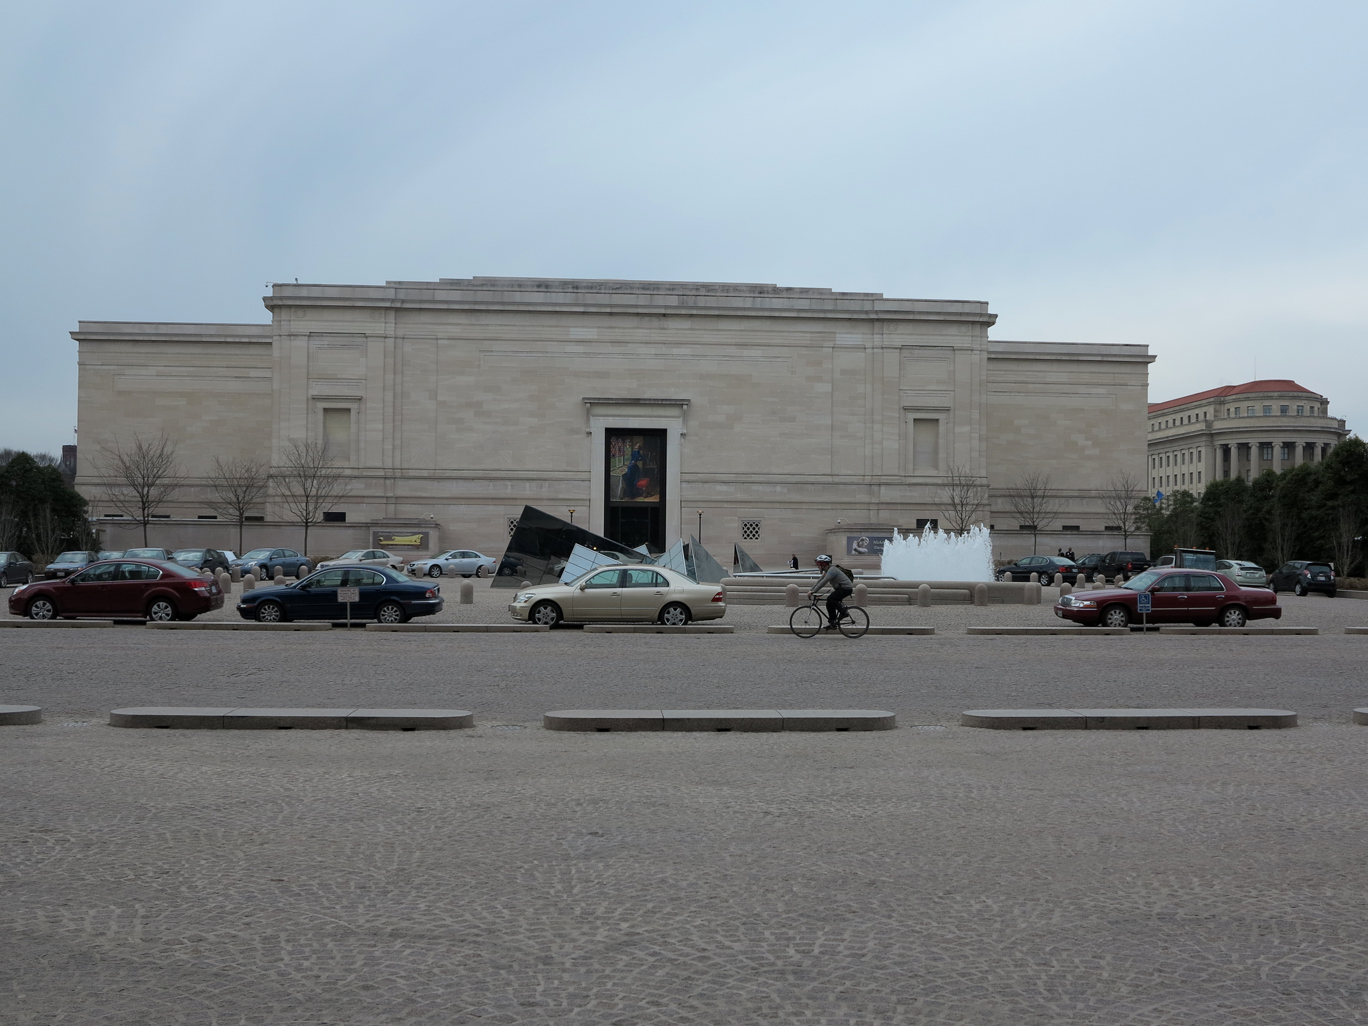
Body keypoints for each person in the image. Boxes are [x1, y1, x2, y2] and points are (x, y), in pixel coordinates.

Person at [808, 554, 854, 630]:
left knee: (831, 599)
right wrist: (811, 590)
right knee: (829, 603)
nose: (818, 566)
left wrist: (813, 591)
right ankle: (832, 622)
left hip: (846, 589)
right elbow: (819, 581)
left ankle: (844, 612)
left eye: (819, 564)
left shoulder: (832, 570)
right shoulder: (827, 571)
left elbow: (824, 582)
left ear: (824, 564)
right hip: (841, 589)